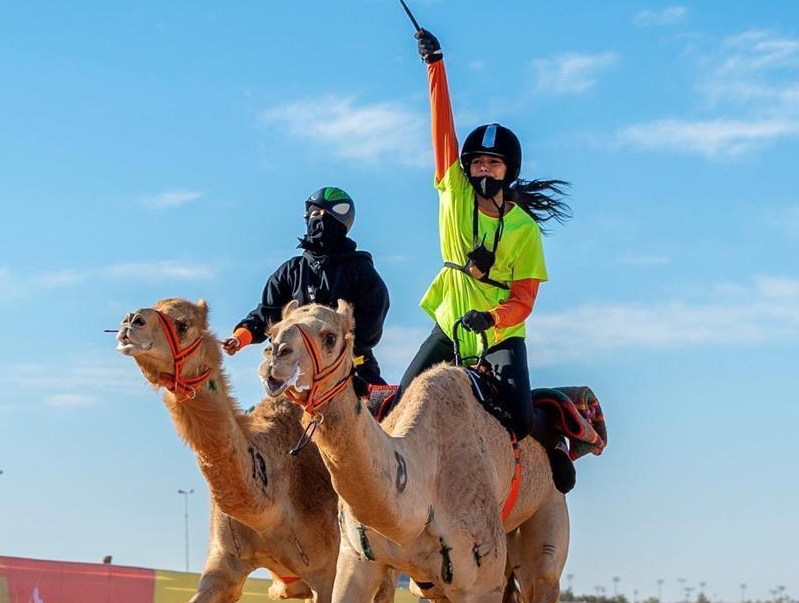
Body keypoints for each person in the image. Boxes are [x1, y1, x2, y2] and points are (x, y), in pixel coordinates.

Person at [399, 26, 575, 492]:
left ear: (508, 172)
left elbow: (524, 299)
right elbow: (443, 129)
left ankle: (555, 435)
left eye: (493, 164)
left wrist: (492, 319)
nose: (483, 169)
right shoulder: (453, 193)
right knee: (401, 403)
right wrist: (435, 66)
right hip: (450, 323)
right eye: (476, 162)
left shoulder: (524, 230)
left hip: (500, 333)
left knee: (518, 418)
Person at [223, 187, 391, 387]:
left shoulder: (360, 270)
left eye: (326, 214)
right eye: (314, 214)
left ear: (342, 222)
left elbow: (371, 320)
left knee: (386, 404)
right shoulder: (291, 271)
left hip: (352, 367)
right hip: (294, 370)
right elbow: (266, 315)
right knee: (271, 407)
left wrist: (336, 349)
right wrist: (239, 339)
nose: (319, 219)